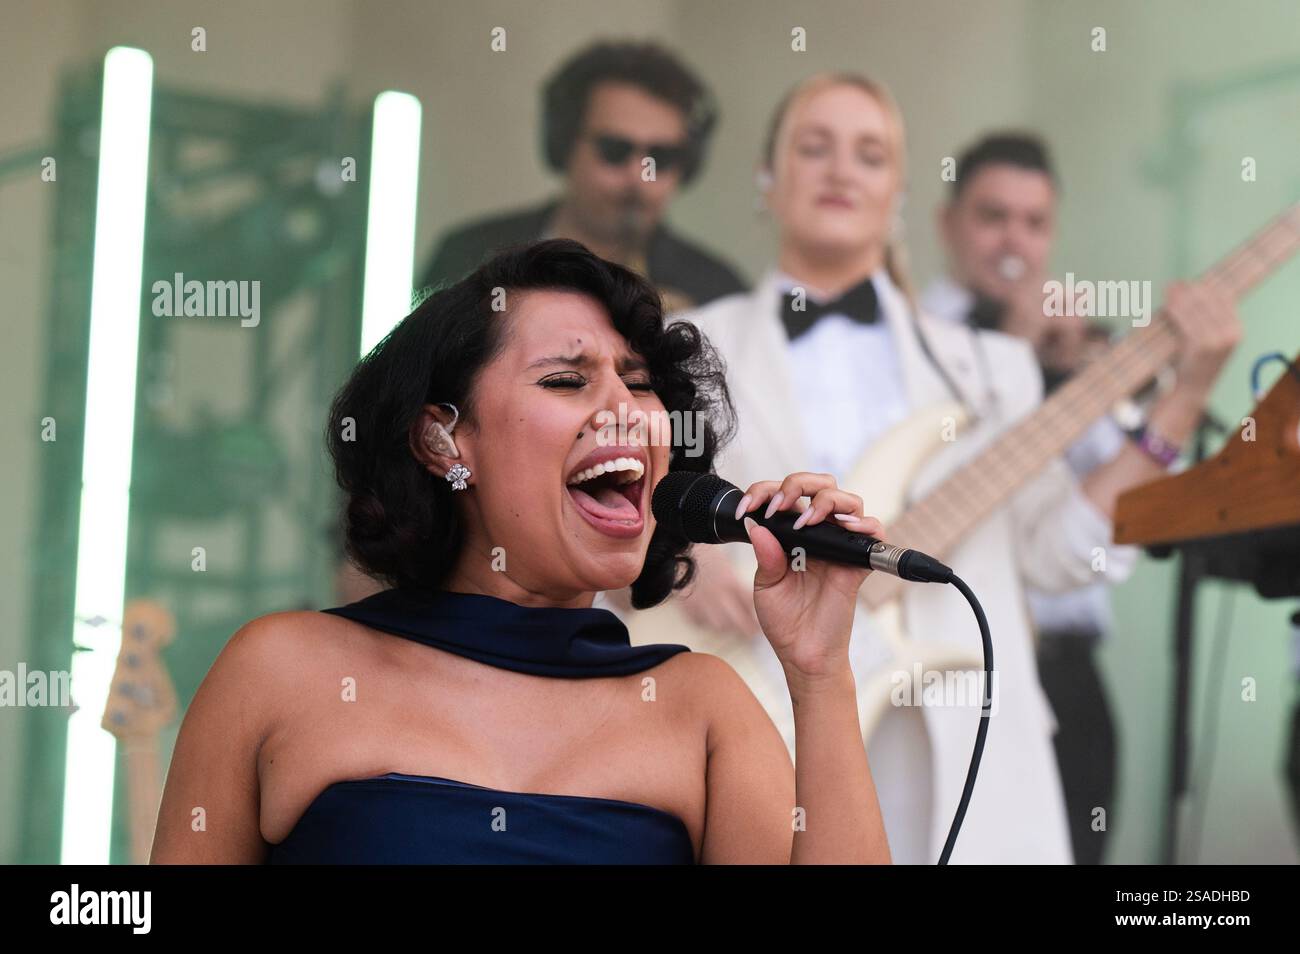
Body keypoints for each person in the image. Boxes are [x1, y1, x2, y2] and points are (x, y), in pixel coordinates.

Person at [149, 238, 892, 864]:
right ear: (441, 440)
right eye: (567, 379)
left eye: (638, 383)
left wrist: (820, 673)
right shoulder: (281, 670)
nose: (625, 410)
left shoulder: (703, 710)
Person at [652, 73, 1240, 863]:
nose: (840, 171)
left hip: (967, 740)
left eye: (870, 154)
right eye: (812, 147)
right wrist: (684, 557)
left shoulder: (992, 367)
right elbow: (627, 503)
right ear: (766, 178)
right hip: (766, 715)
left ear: (897, 192)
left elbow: (1059, 552)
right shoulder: (686, 343)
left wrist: (1185, 395)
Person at [922, 132, 1237, 863]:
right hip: (956, 669)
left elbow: (1121, 511)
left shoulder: (1077, 338)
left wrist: (1089, 379)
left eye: (1035, 224)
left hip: (1073, 671)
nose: (1015, 242)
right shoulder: (921, 339)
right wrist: (1015, 356)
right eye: (993, 216)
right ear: (947, 225)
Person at [418, 41, 746, 312]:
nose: (638, 176)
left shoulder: (716, 292)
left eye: (661, 157)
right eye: (614, 150)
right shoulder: (466, 256)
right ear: (562, 145)